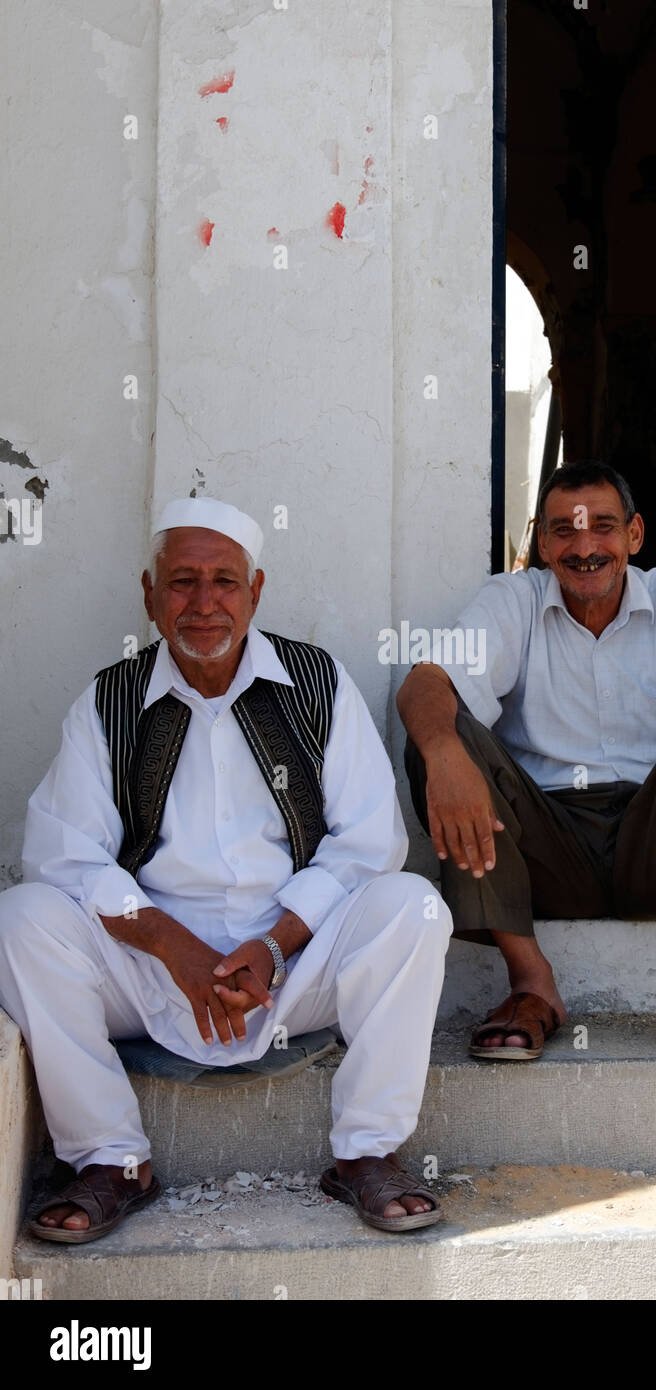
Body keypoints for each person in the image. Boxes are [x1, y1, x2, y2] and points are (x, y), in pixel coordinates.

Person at [0, 496, 451, 1241]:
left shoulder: (317, 684)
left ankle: (366, 1154)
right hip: (148, 971)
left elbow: (369, 842)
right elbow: (62, 855)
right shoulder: (108, 704)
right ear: (150, 594)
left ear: (256, 590)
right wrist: (176, 948)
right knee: (21, 919)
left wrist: (273, 946)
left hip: (293, 967)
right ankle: (111, 1160)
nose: (203, 603)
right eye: (181, 581)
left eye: (224, 582)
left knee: (414, 906)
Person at [398, 461, 656, 1062]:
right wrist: (444, 753)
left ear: (634, 535)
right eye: (564, 531)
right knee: (439, 733)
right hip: (549, 851)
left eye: (602, 526)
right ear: (541, 541)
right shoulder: (511, 601)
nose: (584, 548)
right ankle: (530, 984)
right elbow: (424, 684)